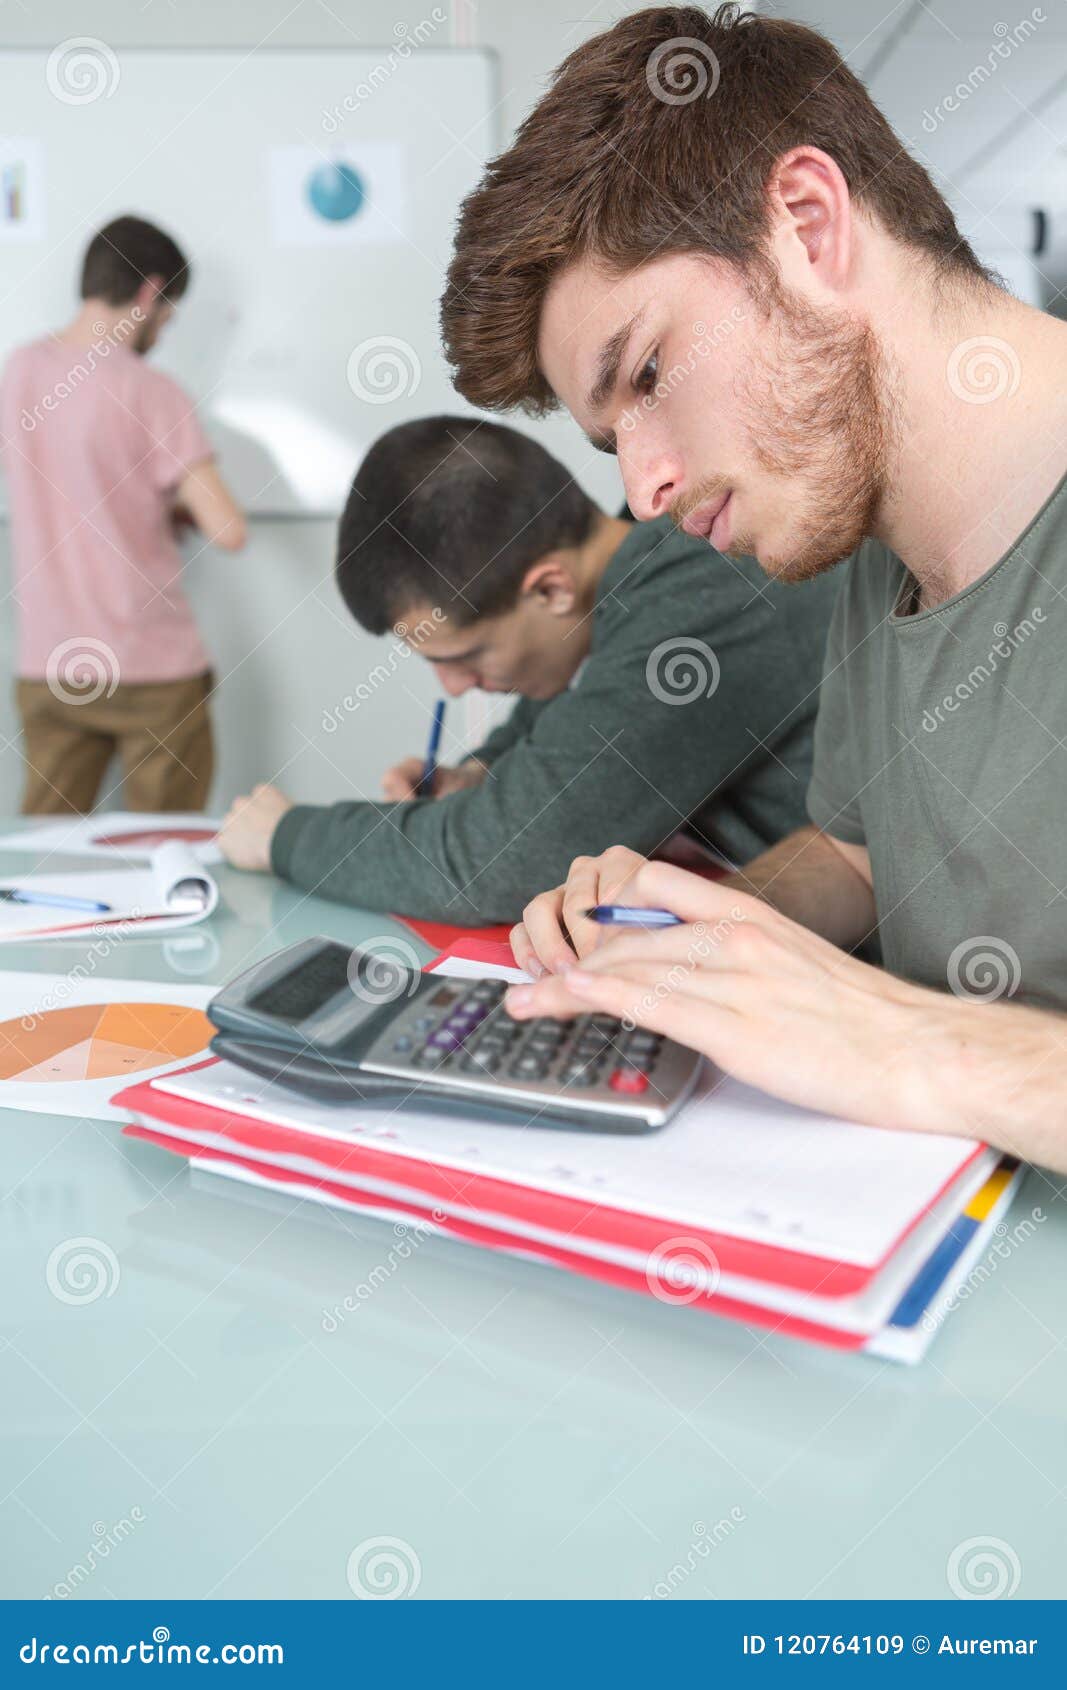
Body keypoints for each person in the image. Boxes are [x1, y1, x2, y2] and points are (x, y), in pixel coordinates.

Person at [439, 5, 1067, 1171]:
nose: (643, 486)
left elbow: (903, 1030)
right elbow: (861, 856)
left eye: (649, 371)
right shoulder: (865, 533)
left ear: (805, 220)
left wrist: (911, 1042)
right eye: (606, 438)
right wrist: (702, 922)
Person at [218, 414, 835, 923]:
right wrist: (484, 772)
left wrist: (285, 836)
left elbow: (491, 862)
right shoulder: (633, 558)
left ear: (549, 591)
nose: (454, 686)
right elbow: (573, 711)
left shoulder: (696, 588)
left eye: (463, 657)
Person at [0, 214, 246, 814]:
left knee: (48, 852)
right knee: (166, 853)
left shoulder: (16, 374)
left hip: (50, 664)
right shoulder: (152, 391)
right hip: (151, 665)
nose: (161, 331)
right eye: (167, 313)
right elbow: (229, 531)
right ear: (149, 291)